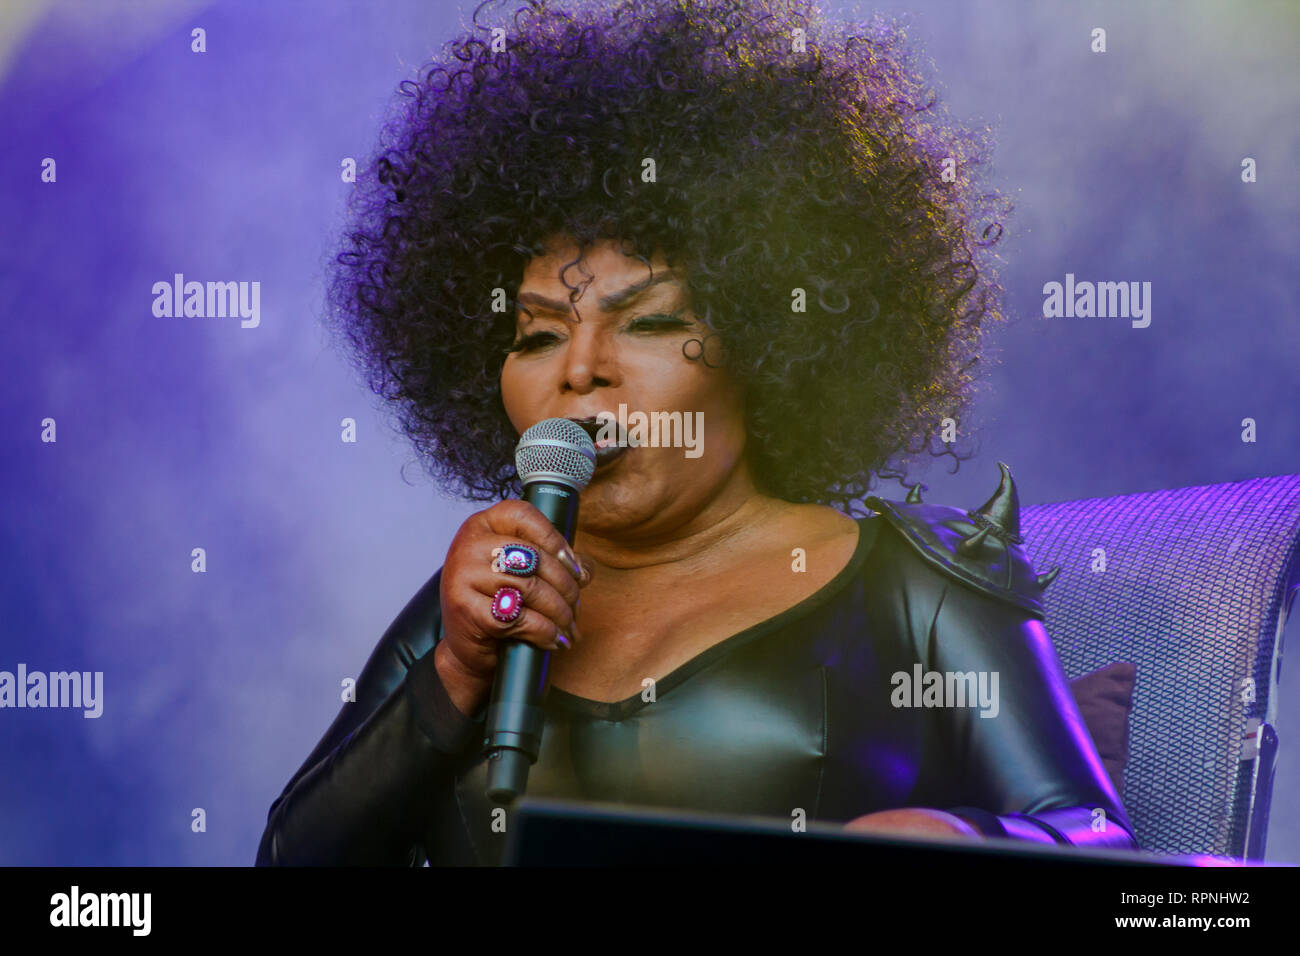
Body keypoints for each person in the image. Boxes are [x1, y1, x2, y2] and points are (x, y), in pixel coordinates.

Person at [257, 0, 1138, 865]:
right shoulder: (479, 607)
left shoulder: (913, 585)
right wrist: (452, 677)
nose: (580, 368)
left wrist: (953, 837)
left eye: (645, 324)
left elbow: (1096, 839)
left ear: (766, 344)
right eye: (536, 335)